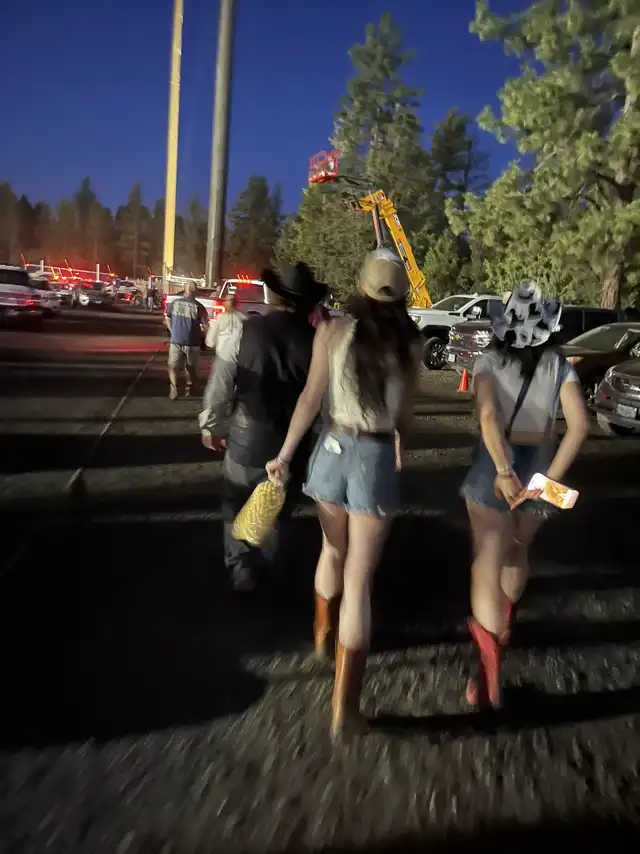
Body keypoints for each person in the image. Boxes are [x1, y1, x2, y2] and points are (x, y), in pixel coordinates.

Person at [265, 248, 422, 742]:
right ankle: (345, 710)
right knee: (360, 579)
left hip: (332, 449)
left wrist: (284, 455)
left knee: (331, 550)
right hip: (374, 454)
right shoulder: (410, 344)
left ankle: (321, 638)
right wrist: (400, 442)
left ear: (361, 285)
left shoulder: (332, 331)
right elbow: (404, 418)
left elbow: (309, 400)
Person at [460, 281, 589, 709]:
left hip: (497, 460)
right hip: (540, 462)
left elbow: (488, 415)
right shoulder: (559, 365)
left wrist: (503, 470)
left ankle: (489, 668)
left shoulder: (488, 361)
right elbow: (579, 427)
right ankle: (504, 632)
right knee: (516, 552)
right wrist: (546, 481)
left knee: (487, 560)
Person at [199, 262, 328, 593]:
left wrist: (211, 424)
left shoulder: (245, 331)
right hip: (293, 445)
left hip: (246, 438)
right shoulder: (318, 342)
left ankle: (241, 566)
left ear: (274, 296)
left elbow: (221, 383)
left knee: (236, 501)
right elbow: (325, 401)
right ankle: (267, 563)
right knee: (276, 508)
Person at [164, 281, 209, 400]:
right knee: (190, 367)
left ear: (184, 289)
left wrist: (172, 331)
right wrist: (204, 338)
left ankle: (174, 389)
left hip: (176, 340)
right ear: (195, 291)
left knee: (172, 366)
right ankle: (190, 387)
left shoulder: (175, 303)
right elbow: (206, 325)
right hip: (192, 342)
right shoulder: (199, 307)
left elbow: (167, 319)